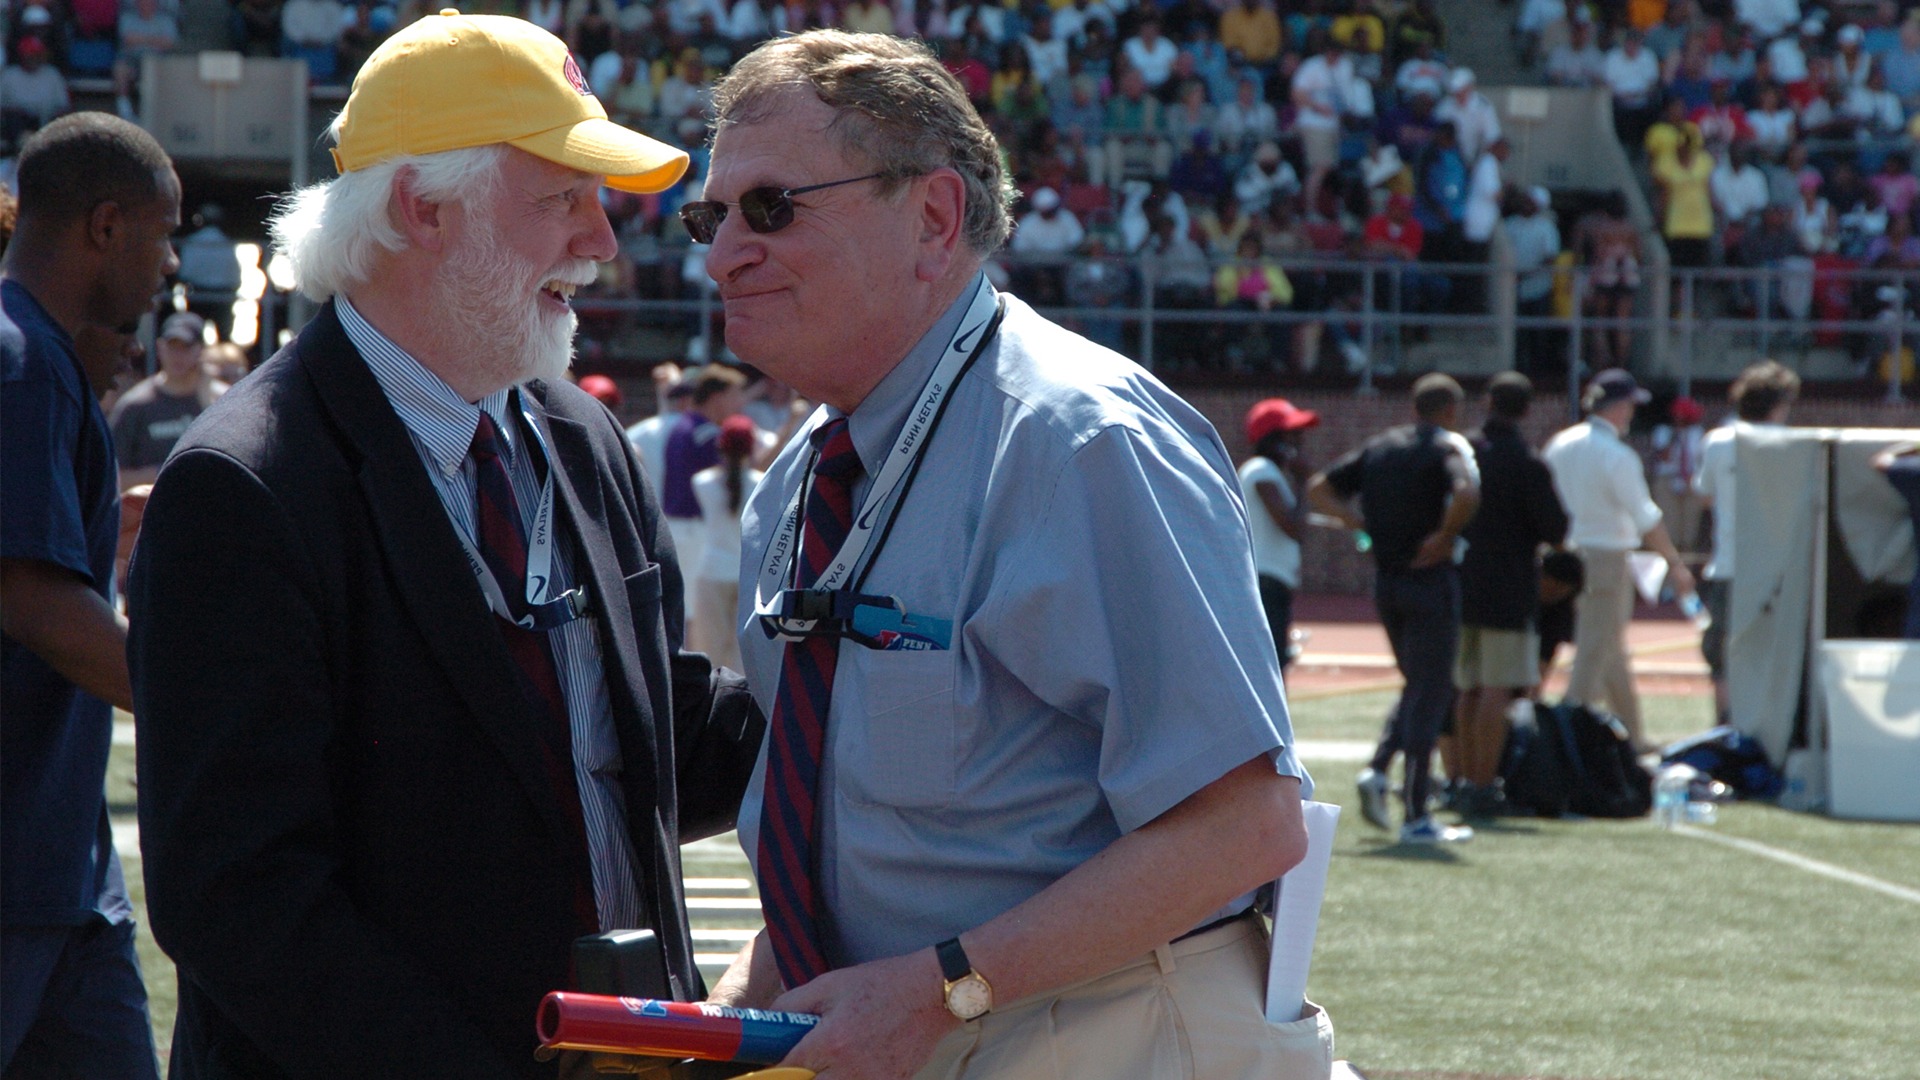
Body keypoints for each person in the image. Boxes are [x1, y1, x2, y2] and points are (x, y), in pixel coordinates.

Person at [126, 15, 765, 1076]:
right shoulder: (245, 484)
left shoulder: (578, 433)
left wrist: (859, 701)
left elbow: (639, 736)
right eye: (563, 197)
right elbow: (239, 895)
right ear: (423, 208)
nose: (601, 241)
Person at [684, 29, 1322, 1079]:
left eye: (770, 208)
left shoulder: (1081, 440)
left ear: (932, 218)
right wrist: (744, 998)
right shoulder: (806, 475)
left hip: (1115, 1037)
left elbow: (1242, 826)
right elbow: (894, 850)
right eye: (711, 217)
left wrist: (944, 987)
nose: (718, 254)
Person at [2, 110, 178, 1080]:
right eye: (164, 231)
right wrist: (211, 700)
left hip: (65, 875)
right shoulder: (20, 359)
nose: (170, 266)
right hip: (15, 870)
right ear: (106, 226)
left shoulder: (37, 358)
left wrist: (111, 518)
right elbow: (31, 602)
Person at [1308, 373, 1482, 844]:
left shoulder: (1382, 446)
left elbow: (1319, 487)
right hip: (1431, 581)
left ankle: (1380, 768)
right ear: (1450, 410)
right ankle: (1416, 813)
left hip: (1388, 581)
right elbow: (1467, 491)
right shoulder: (1449, 446)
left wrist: (1356, 521)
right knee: (1432, 692)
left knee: (1417, 685)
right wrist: (1445, 536)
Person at [1543, 369, 1696, 751]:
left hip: (1564, 555)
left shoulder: (1559, 444)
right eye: (1629, 406)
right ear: (1619, 406)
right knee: (1595, 652)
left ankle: (1632, 732)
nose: (1631, 414)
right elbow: (1646, 516)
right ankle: (1569, 738)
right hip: (1605, 558)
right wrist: (1674, 563)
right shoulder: (1616, 455)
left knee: (1608, 648)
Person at [1454, 373, 1568, 816]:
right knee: (1496, 692)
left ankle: (1462, 779)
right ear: (1526, 410)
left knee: (1466, 688)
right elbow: (1557, 529)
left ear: (1487, 402)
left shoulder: (1463, 452)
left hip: (1462, 582)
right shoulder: (1527, 462)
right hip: (1508, 588)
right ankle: (1484, 785)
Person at [1695, 360, 1798, 723]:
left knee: (1720, 652)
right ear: (1778, 405)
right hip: (1773, 569)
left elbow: (1705, 495)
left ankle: (1724, 720)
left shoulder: (1717, 442)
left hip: (1727, 564)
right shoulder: (1789, 446)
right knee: (1768, 652)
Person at [1240, 398, 1319, 675]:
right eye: (1292, 434)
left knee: (1274, 662)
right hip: (1266, 583)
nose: (1300, 441)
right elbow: (1293, 528)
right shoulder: (1261, 471)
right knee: (1270, 667)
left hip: (1273, 582)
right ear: (1274, 440)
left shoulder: (1269, 473)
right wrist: (1302, 481)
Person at [660, 362, 747, 609]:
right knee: (695, 612)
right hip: (695, 531)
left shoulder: (683, 426)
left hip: (679, 528)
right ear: (717, 397)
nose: (740, 404)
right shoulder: (708, 435)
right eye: (735, 396)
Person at [107, 311, 227, 489]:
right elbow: (111, 477)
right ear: (160, 347)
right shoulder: (136, 405)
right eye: (172, 346)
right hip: (151, 509)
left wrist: (207, 401)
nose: (177, 355)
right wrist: (163, 472)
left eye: (186, 347)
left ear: (201, 350)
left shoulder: (220, 400)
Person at [689, 413, 761, 672]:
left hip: (712, 570)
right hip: (747, 574)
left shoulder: (702, 482)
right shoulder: (761, 483)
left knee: (711, 651)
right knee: (744, 655)